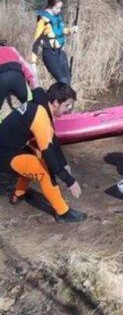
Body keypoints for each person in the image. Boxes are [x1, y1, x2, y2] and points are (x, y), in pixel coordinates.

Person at [0, 83, 86, 222]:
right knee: (45, 172)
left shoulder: (41, 105)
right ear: (56, 103)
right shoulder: (40, 115)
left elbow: (53, 139)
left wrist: (63, 163)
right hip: (4, 155)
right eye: (67, 105)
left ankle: (18, 194)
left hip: (11, 148)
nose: (69, 109)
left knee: (35, 160)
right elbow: (49, 154)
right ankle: (63, 213)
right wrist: (69, 180)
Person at [31, 0, 78, 84]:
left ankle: (64, 98)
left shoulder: (57, 16)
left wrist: (71, 30)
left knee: (68, 80)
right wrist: (33, 63)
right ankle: (55, 97)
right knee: (63, 81)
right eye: (57, 8)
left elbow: (59, 31)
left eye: (60, 8)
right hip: (50, 54)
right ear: (50, 6)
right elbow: (36, 42)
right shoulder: (43, 21)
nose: (59, 11)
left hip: (60, 52)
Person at [0, 39, 38, 106]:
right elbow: (24, 65)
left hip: (2, 77)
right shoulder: (12, 49)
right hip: (17, 76)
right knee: (29, 105)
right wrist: (32, 83)